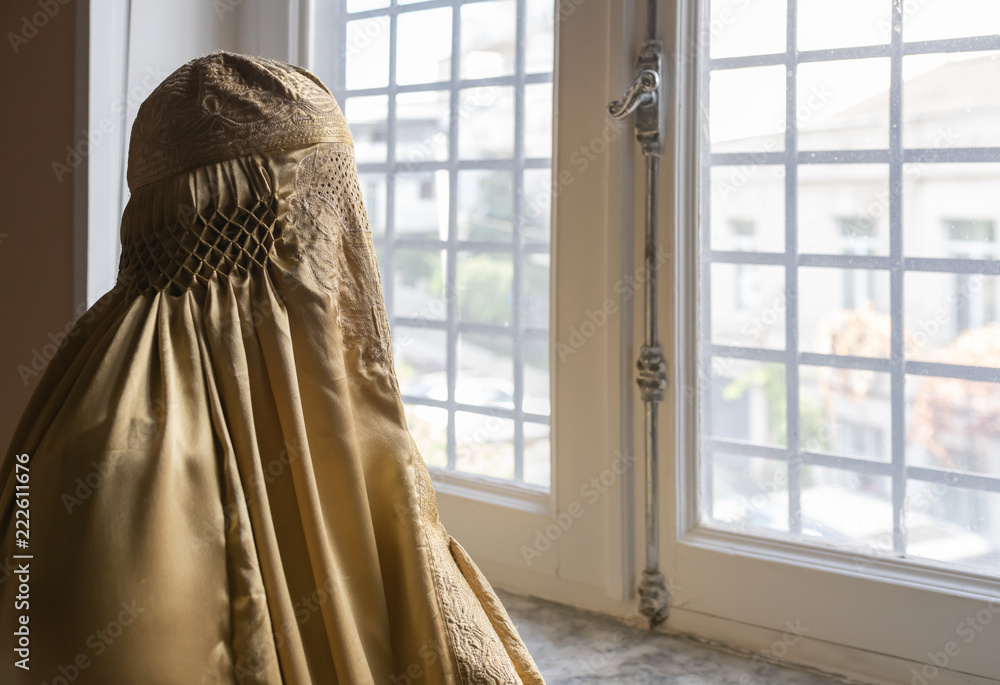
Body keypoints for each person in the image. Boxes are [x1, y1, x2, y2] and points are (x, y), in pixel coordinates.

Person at [0, 51, 545, 685]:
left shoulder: (327, 418)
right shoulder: (119, 463)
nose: (347, 245)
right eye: (322, 213)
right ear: (259, 228)